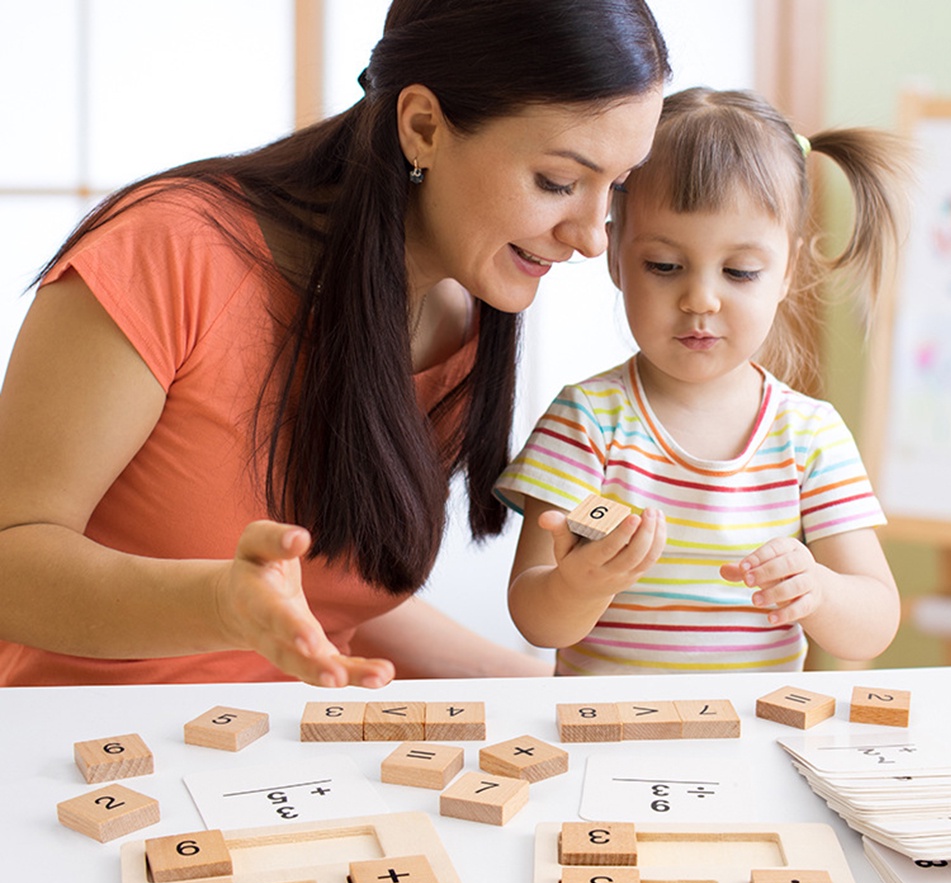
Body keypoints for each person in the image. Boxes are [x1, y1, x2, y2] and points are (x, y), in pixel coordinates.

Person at [0, 0, 669, 687]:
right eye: (558, 182)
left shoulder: (458, 315)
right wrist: (220, 605)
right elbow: (11, 561)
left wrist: (541, 693)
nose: (591, 238)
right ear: (424, 127)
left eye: (614, 187)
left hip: (300, 754)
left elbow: (324, 600)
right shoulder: (169, 253)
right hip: (85, 755)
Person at [496, 86, 910, 675]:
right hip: (610, 743)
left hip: (753, 742)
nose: (700, 299)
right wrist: (579, 586)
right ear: (615, 257)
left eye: (740, 271)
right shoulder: (587, 420)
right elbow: (534, 619)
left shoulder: (809, 435)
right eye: (664, 266)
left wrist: (818, 589)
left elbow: (874, 622)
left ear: (787, 269)